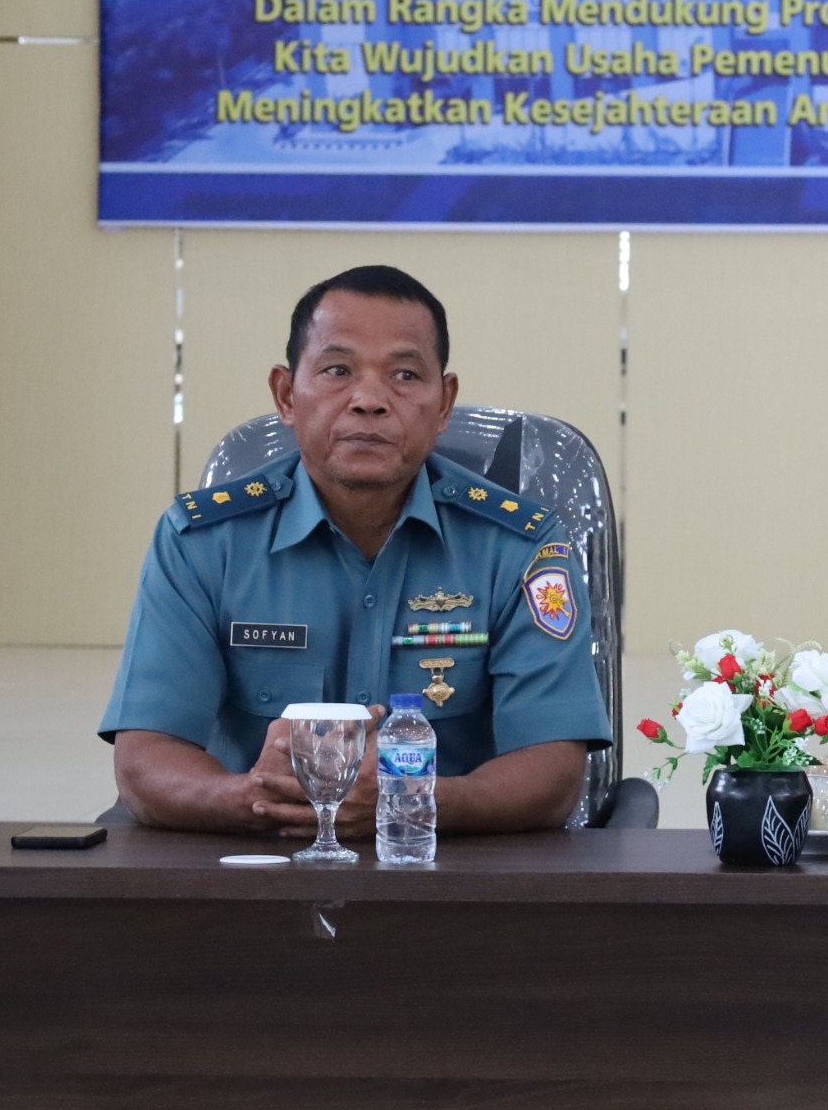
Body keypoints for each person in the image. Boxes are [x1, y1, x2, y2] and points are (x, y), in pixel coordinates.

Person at [99, 265, 609, 838]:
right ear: (286, 394)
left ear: (444, 404)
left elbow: (553, 776)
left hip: (453, 878)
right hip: (257, 873)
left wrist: (406, 799)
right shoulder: (199, 542)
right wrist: (258, 800)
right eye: (338, 370)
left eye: (405, 375)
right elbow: (146, 760)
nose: (369, 399)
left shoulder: (523, 547)